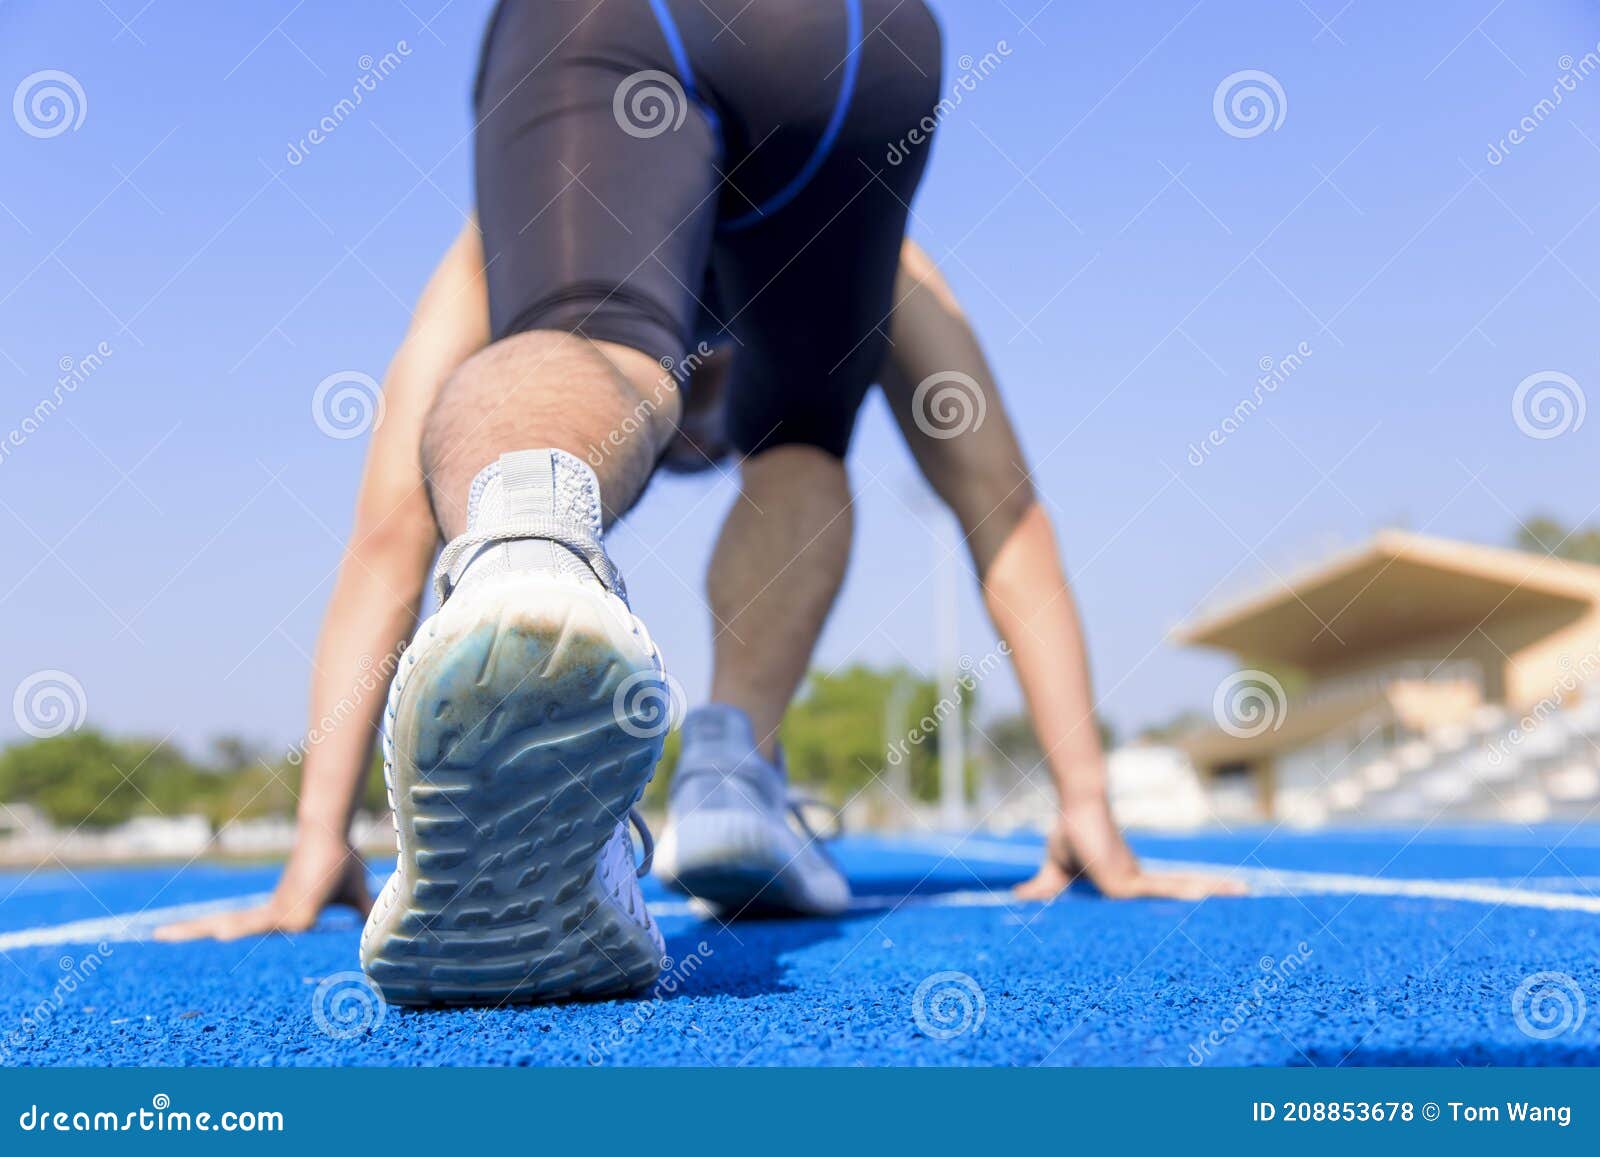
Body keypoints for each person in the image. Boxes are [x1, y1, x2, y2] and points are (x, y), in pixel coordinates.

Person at [161, 0, 1239, 1001]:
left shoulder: (498, 259)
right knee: (805, 447)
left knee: (594, 345)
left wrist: (320, 836)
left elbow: (392, 536)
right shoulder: (901, 287)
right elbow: (1006, 514)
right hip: (863, 48)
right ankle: (729, 765)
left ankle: (527, 541)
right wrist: (1084, 803)